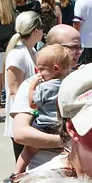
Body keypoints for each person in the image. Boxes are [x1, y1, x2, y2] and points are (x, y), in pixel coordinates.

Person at [7, 24, 83, 171]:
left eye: (80, 47)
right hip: (42, 170)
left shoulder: (81, 80)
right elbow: (21, 133)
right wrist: (67, 140)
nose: (78, 52)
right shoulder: (33, 85)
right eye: (73, 47)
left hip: (77, 170)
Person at [13, 45, 75, 176]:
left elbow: (32, 104)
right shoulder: (71, 85)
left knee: (28, 150)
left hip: (44, 124)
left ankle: (17, 173)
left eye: (41, 69)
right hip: (62, 125)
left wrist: (32, 86)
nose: (39, 73)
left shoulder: (44, 87)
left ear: (56, 68)